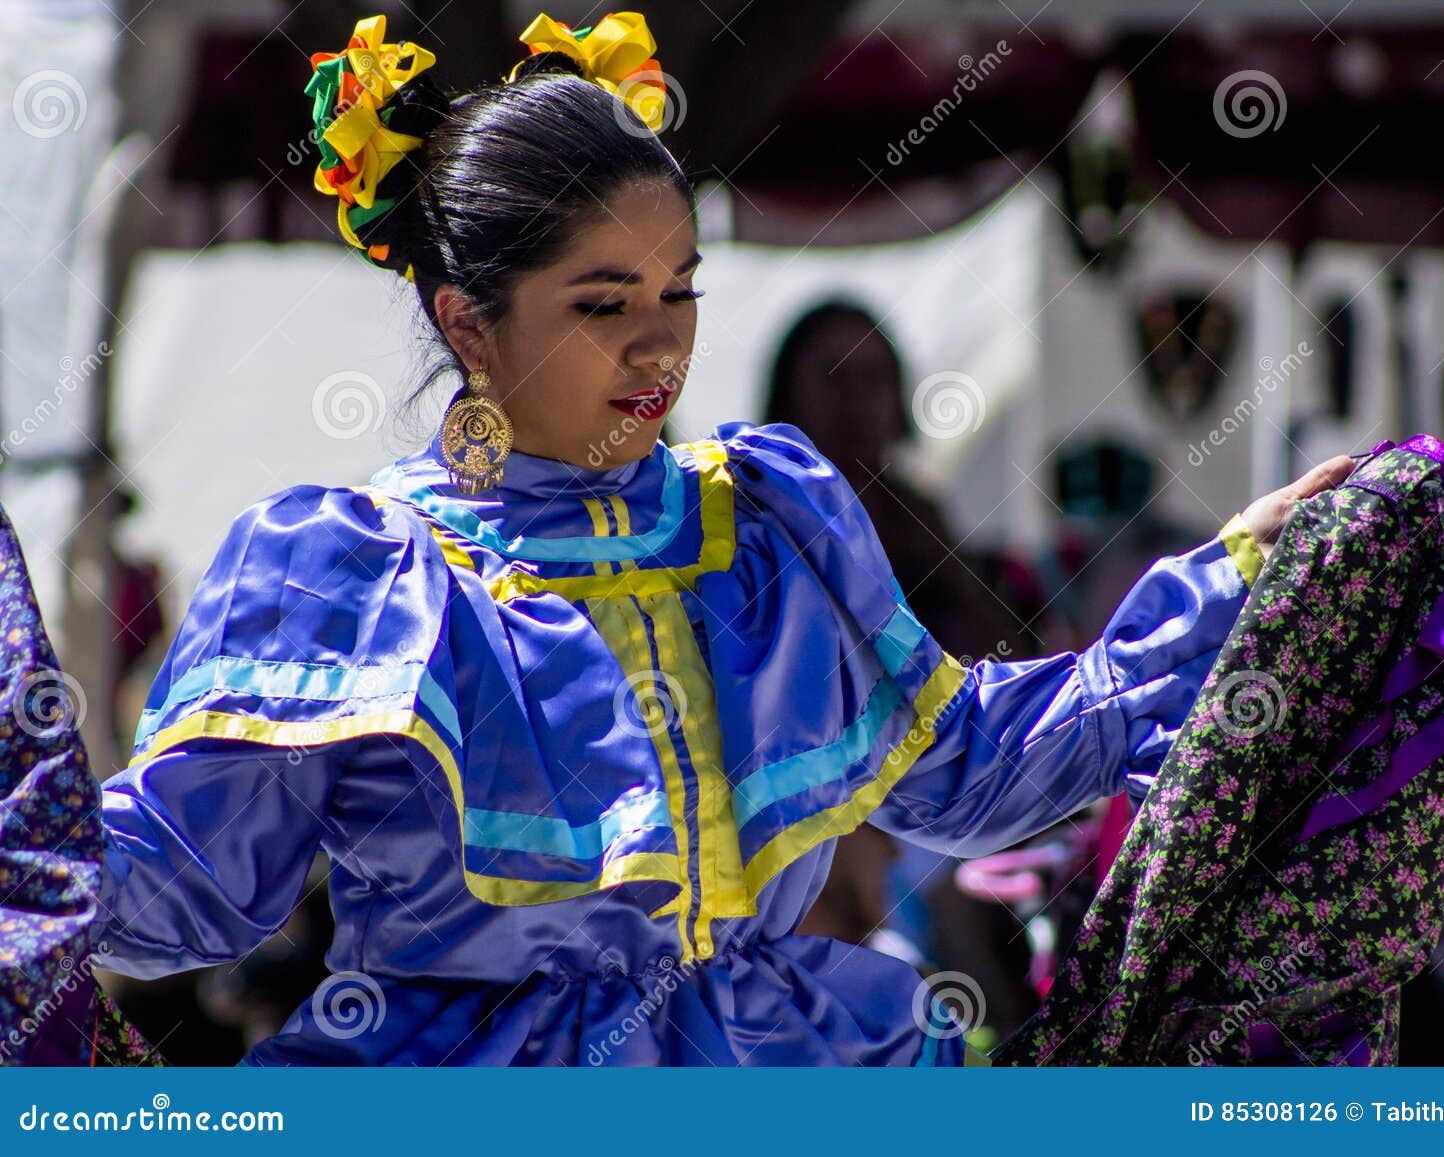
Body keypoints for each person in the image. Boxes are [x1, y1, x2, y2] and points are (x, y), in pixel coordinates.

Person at [77, 12, 1352, 1065]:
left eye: (678, 292)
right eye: (602, 303)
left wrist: (1234, 585)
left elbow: (963, 772)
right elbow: (184, 884)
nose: (658, 344)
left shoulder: (761, 522)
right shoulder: (357, 573)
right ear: (469, 324)